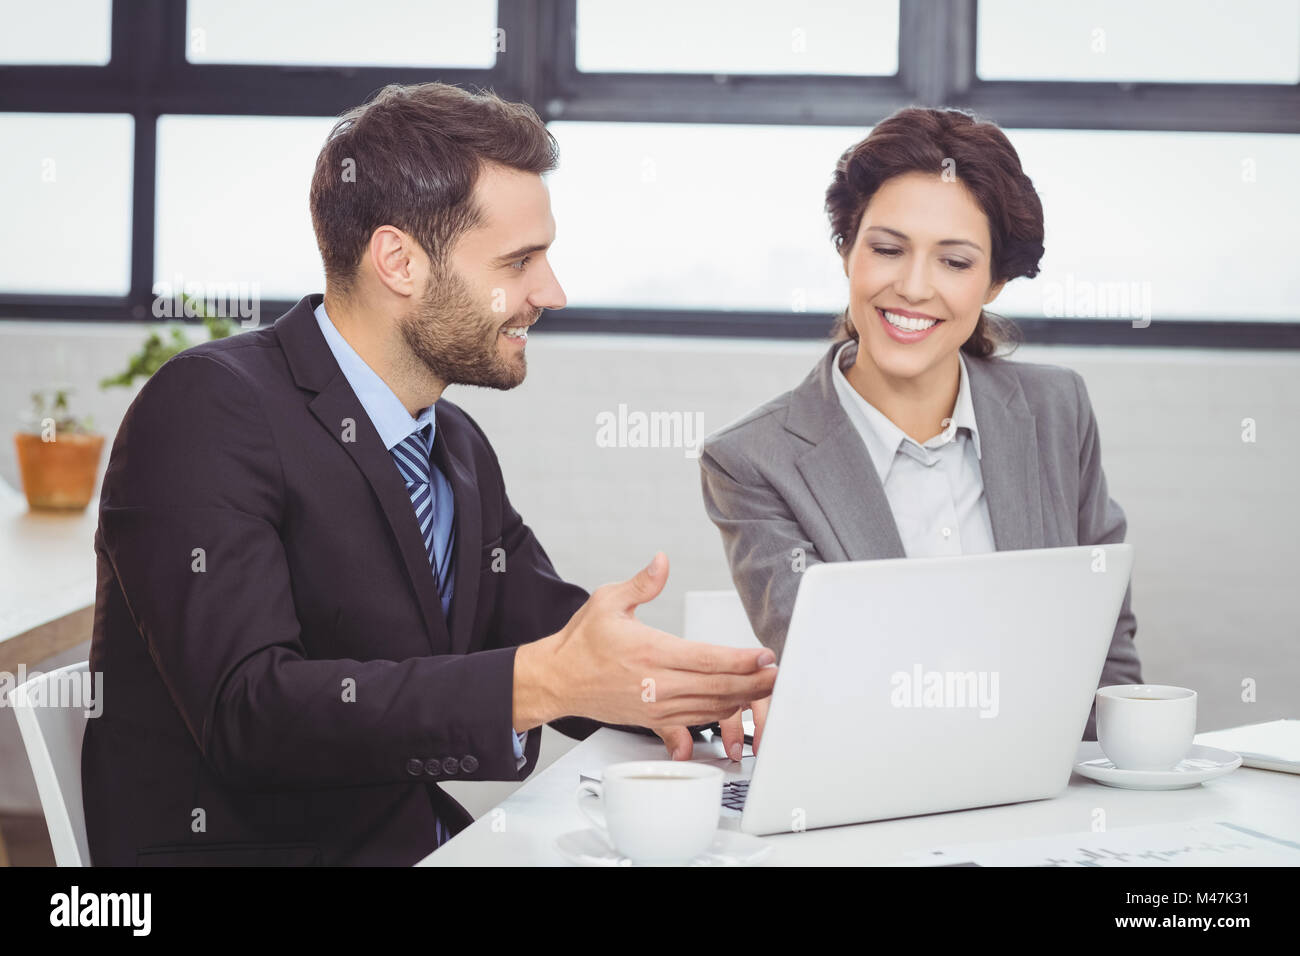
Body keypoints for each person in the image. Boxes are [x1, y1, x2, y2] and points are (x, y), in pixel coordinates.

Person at [83, 82, 776, 866]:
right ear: (400, 261)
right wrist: (544, 680)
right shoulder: (206, 409)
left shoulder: (452, 443)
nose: (551, 292)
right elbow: (252, 714)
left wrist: (717, 694)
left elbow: (549, 635)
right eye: (520, 261)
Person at [698, 106, 1140, 753]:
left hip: (1053, 802)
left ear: (995, 281)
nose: (912, 287)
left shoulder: (1057, 409)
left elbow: (1108, 649)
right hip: (879, 795)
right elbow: (838, 676)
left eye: (955, 262)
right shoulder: (752, 461)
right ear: (847, 249)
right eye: (886, 249)